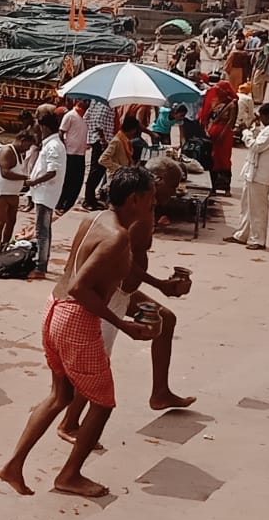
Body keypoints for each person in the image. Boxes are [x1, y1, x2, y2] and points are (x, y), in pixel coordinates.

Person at [0, 167, 159, 498]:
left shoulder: (96, 219)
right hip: (75, 319)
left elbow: (96, 273)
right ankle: (69, 475)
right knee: (102, 403)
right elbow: (81, 286)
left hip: (53, 310)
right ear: (135, 200)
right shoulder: (118, 237)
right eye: (152, 202)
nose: (154, 208)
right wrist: (124, 326)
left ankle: (13, 465)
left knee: (61, 395)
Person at [57, 157, 197, 445]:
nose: (176, 190)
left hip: (123, 288)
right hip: (115, 289)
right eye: (172, 184)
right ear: (155, 183)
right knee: (98, 361)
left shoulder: (144, 210)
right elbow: (121, 262)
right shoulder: (133, 217)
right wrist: (160, 285)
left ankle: (160, 392)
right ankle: (70, 423)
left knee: (166, 319)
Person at [224, 103, 269, 250]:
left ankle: (259, 239)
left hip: (261, 175)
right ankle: (242, 234)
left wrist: (246, 133)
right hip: (253, 173)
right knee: (247, 206)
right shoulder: (268, 129)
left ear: (268, 116)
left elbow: (256, 146)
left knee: (258, 209)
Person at [28, 113, 66, 279]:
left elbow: (52, 171)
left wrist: (34, 181)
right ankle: (41, 263)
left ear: (44, 127)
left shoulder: (53, 146)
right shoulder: (52, 144)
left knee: (41, 231)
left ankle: (41, 266)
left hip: (45, 192)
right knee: (44, 230)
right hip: (43, 192)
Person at [0, 132, 34, 249]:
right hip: (2, 193)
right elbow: (5, 173)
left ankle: (5, 245)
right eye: (27, 146)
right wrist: (25, 177)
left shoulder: (19, 153)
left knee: (11, 221)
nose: (27, 149)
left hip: (14, 193)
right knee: (0, 222)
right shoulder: (7, 151)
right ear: (22, 140)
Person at [205, 85, 240, 194]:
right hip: (213, 134)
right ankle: (214, 186)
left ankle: (226, 187)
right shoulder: (217, 103)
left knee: (224, 160)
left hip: (224, 136)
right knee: (213, 159)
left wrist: (222, 135)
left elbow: (230, 122)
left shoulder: (232, 104)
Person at [56, 100, 88, 214]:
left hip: (81, 153)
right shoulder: (70, 115)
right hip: (70, 153)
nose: (87, 103)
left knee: (77, 180)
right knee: (68, 180)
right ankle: (60, 204)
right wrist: (63, 147)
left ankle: (69, 204)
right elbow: (61, 132)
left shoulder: (85, 117)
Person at [82, 99, 115, 210]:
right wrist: (102, 138)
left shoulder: (95, 102)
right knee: (96, 170)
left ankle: (91, 198)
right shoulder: (104, 104)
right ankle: (88, 200)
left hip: (99, 139)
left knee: (98, 170)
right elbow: (98, 122)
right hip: (101, 141)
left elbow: (86, 117)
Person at [100, 115, 139, 183]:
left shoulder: (125, 140)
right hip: (116, 178)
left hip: (123, 175)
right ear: (133, 130)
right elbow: (102, 160)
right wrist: (120, 168)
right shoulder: (117, 141)